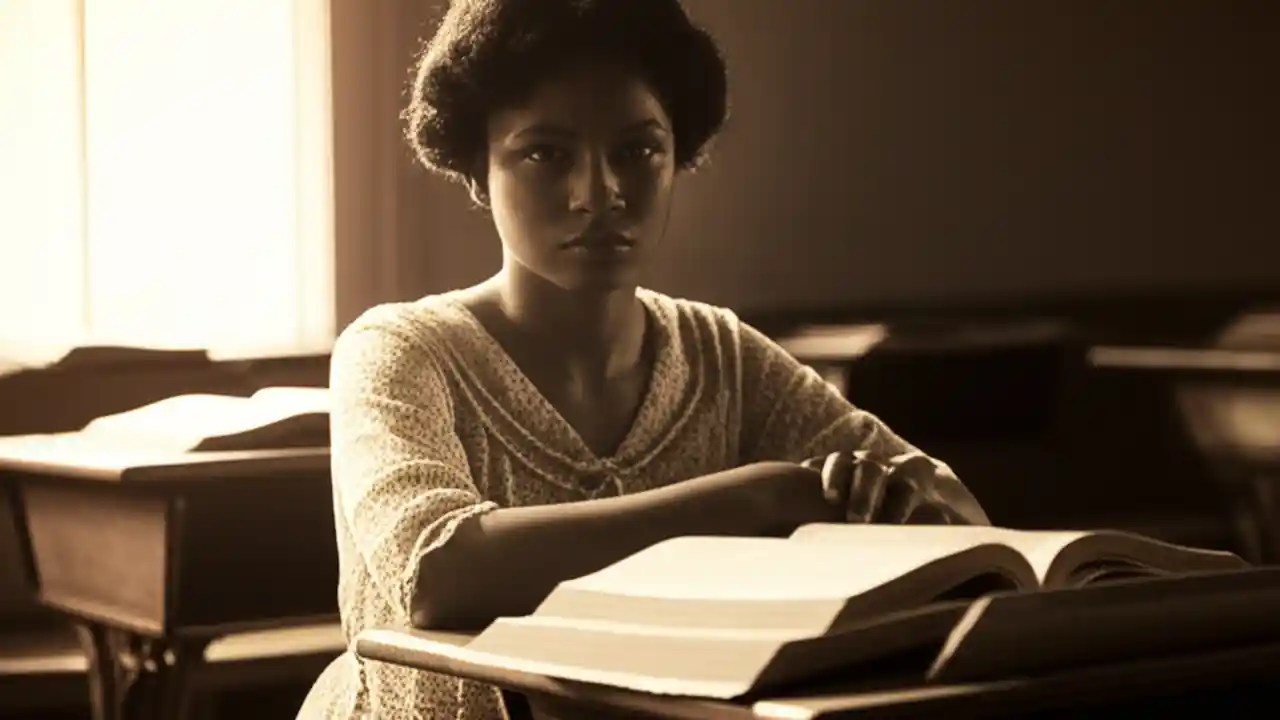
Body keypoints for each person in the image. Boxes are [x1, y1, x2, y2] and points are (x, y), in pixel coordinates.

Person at [298, 0, 989, 717]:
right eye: (545, 154)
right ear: (478, 170)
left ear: (677, 155)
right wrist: (759, 500)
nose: (599, 194)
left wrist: (894, 499)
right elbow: (438, 571)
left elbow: (956, 514)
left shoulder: (721, 356)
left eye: (637, 151)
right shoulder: (400, 351)